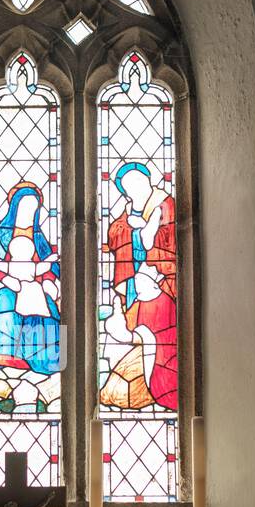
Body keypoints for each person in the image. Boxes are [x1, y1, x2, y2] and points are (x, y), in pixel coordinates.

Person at [100, 160, 177, 412]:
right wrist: (131, 229)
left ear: (147, 179)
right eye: (127, 185)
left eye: (137, 181)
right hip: (140, 282)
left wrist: (143, 231)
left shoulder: (164, 203)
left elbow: (158, 239)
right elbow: (114, 233)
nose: (133, 188)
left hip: (161, 275)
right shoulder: (128, 207)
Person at [0, 182, 61, 412]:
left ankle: (45, 360)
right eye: (25, 207)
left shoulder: (39, 238)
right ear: (14, 208)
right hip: (2, 285)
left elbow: (48, 268)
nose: (29, 213)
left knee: (48, 307)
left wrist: (47, 282)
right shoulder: (0, 235)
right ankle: (3, 355)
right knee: (7, 301)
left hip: (33, 287)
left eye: (33, 209)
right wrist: (7, 280)